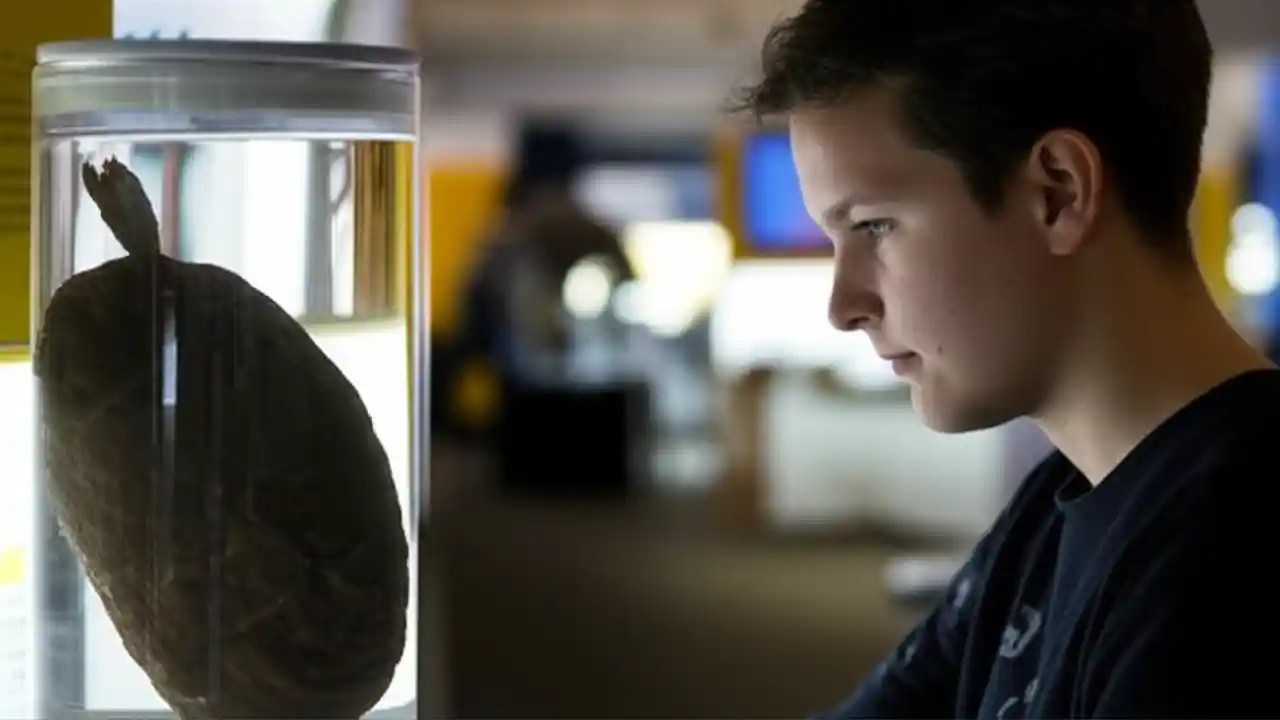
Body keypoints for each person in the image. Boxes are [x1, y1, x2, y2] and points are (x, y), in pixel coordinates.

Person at [733, 1, 1280, 717]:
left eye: (874, 225)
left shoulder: (1239, 553)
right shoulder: (1063, 503)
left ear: (1057, 192)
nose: (843, 305)